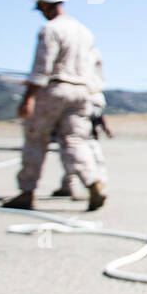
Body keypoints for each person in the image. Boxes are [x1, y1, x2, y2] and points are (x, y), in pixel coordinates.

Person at [2, 0, 108, 212]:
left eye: (40, 6)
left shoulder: (50, 29)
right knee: (75, 140)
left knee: (35, 138)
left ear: (44, 4)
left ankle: (27, 192)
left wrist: (28, 97)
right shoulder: (84, 31)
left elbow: (42, 66)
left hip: (56, 90)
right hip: (82, 92)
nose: (39, 11)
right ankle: (93, 182)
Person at [52, 49, 113, 199]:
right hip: (90, 96)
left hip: (77, 93)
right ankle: (81, 183)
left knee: (71, 142)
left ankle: (87, 182)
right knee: (81, 142)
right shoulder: (89, 48)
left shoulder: (80, 51)